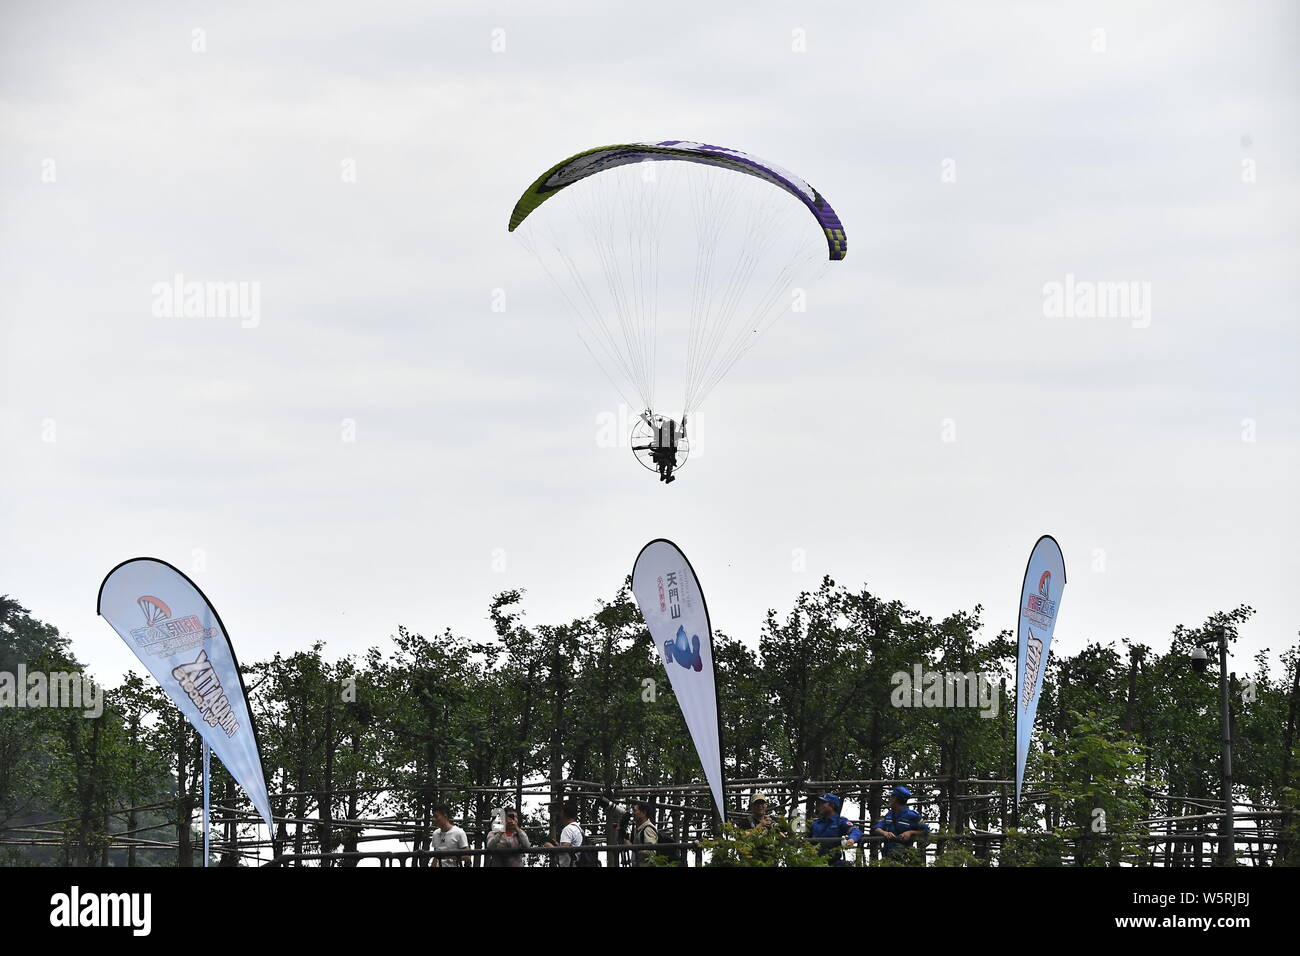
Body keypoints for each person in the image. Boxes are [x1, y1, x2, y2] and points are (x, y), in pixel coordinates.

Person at [871, 786, 930, 859]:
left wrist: (910, 832)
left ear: (894, 799)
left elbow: (926, 831)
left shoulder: (912, 816)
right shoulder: (889, 815)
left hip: (905, 858)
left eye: (891, 797)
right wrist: (885, 833)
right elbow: (876, 828)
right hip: (887, 857)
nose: (890, 799)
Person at [807, 793, 860, 867]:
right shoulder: (815, 823)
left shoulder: (840, 821)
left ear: (832, 805)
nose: (821, 806)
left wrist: (852, 839)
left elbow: (855, 830)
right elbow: (805, 840)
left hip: (833, 861)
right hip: (814, 861)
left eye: (824, 803)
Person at [632, 410, 684, 484]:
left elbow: (683, 435)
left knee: (668, 464)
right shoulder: (662, 432)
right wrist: (644, 417)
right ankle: (664, 475)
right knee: (668, 464)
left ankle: (664, 475)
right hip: (663, 454)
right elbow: (651, 425)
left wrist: (683, 425)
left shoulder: (670, 433)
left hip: (665, 454)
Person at [544, 801, 584, 867]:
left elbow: (563, 850)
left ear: (563, 814)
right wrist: (558, 845)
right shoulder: (578, 828)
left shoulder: (568, 829)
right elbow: (568, 847)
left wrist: (550, 847)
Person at [623, 801, 659, 867]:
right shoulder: (639, 830)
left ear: (644, 813)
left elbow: (651, 853)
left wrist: (632, 847)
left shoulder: (648, 829)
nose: (633, 814)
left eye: (635, 811)